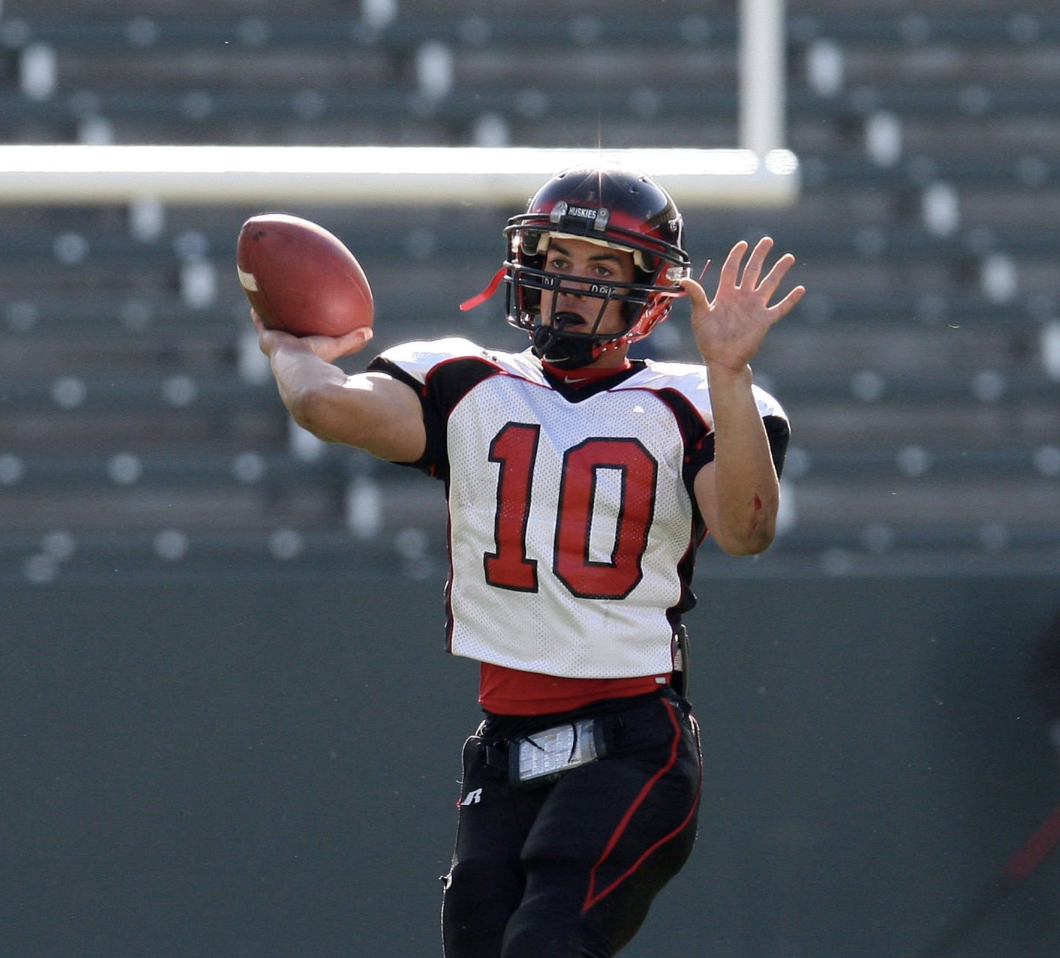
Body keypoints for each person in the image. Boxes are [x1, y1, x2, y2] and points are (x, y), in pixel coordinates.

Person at [253, 166, 804, 957]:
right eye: (558, 257)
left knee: (545, 945)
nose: (568, 283)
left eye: (601, 268)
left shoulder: (697, 400)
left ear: (648, 293)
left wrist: (732, 375)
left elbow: (747, 530)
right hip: (505, 748)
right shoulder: (465, 381)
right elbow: (326, 406)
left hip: (632, 740)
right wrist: (288, 348)